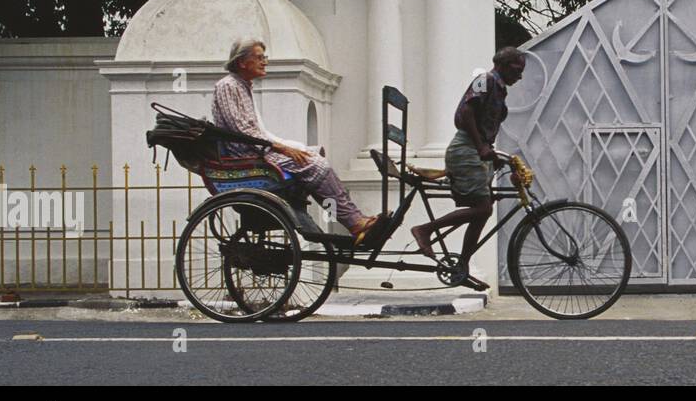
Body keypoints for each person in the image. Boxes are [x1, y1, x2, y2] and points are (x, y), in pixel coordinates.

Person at [211, 36, 384, 246]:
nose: (264, 62)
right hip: (245, 158)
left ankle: (353, 220)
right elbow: (242, 129)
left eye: (264, 57)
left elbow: (257, 131)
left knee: (313, 156)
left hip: (256, 152)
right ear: (242, 62)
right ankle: (354, 222)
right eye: (259, 57)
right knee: (315, 165)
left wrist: (292, 147)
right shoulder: (228, 86)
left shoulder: (242, 86)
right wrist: (282, 148)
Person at [409, 47, 526, 262]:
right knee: (482, 209)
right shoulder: (485, 79)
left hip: (477, 151)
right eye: (517, 69)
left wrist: (490, 153)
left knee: (483, 211)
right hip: (466, 150)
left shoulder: (499, 89)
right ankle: (425, 230)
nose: (520, 76)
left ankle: (462, 265)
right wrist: (482, 147)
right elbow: (466, 112)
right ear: (502, 64)